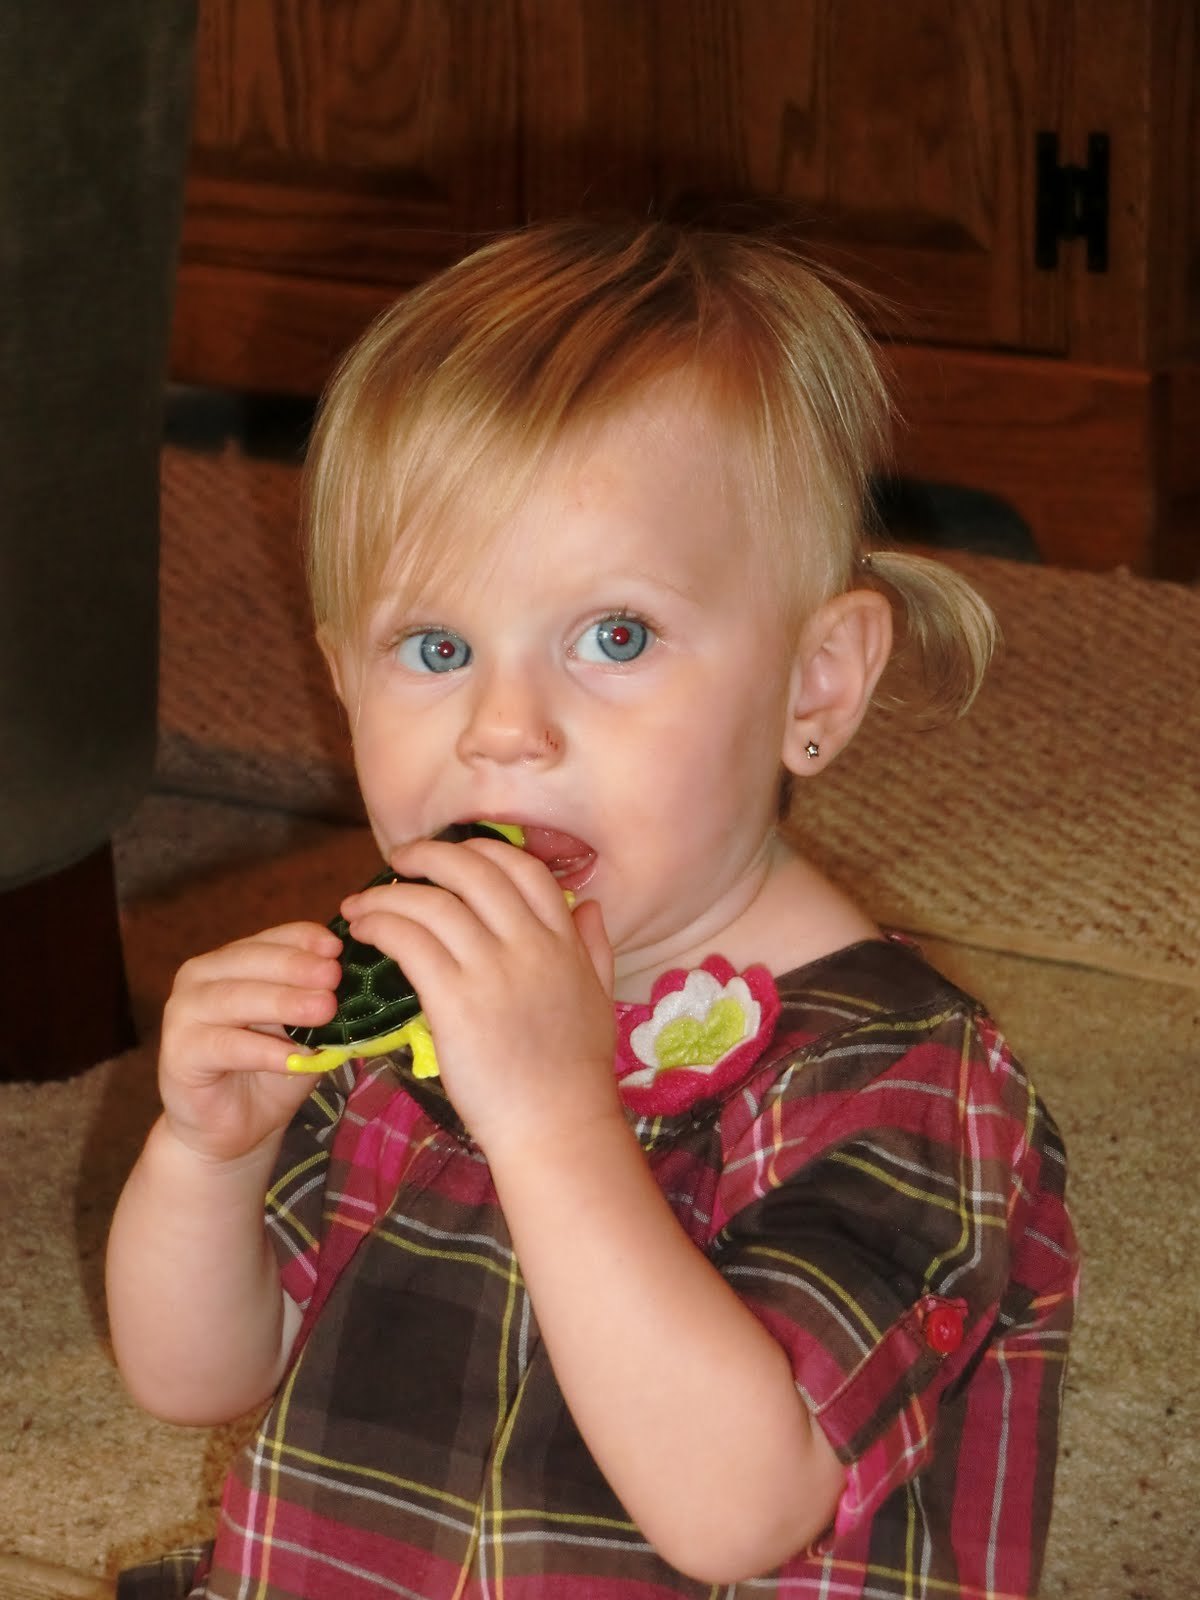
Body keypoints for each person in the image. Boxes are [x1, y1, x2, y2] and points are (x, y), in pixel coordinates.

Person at [107, 217, 1078, 1599]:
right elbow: (199, 1376)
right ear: (342, 682)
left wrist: (554, 1119)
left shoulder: (905, 1080)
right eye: (436, 647)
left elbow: (737, 1512)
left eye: (615, 637)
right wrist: (209, 1159)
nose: (504, 729)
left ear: (813, 684)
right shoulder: (411, 989)